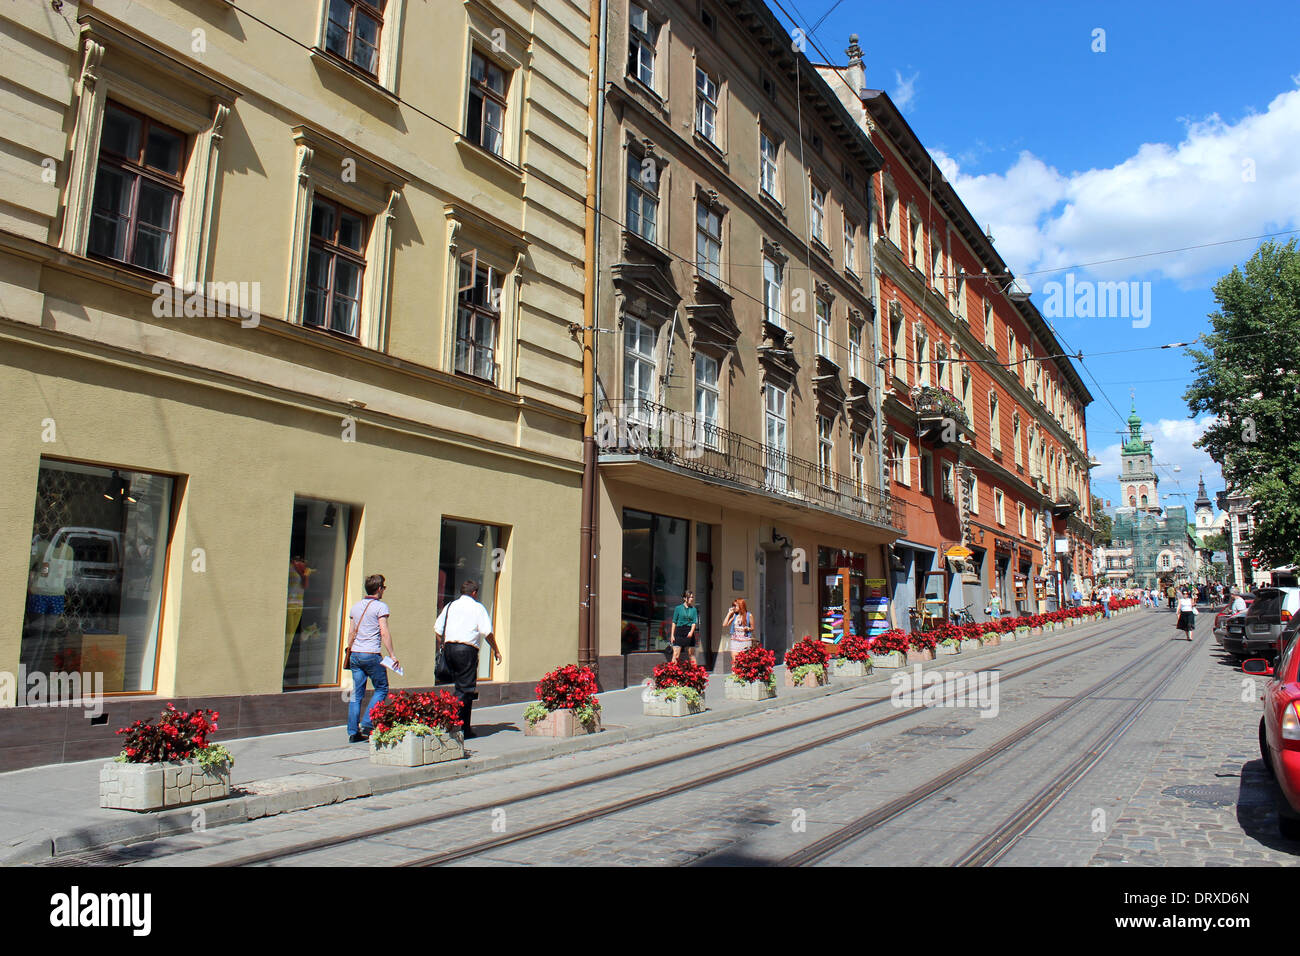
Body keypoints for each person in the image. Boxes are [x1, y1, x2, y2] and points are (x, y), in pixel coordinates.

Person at [435, 579, 502, 738]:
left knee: (460, 687)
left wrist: (444, 645)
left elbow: (437, 629)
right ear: (474, 593)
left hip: (450, 648)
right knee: (466, 689)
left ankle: (461, 726)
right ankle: (455, 724)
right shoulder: (477, 607)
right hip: (466, 650)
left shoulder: (450, 606)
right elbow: (487, 632)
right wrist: (496, 650)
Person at [344, 573, 397, 742]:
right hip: (371, 653)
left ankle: (353, 732)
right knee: (382, 688)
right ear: (379, 589)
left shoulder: (356, 607)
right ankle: (367, 722)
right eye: (384, 588)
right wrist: (392, 655)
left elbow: (351, 632)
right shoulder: (380, 607)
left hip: (355, 655)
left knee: (356, 694)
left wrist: (350, 650)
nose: (384, 591)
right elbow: (384, 632)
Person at [669, 590, 699, 664]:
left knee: (691, 654)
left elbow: (694, 622)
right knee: (676, 654)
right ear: (685, 598)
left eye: (692, 597)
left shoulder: (694, 609)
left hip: (689, 630)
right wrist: (672, 635)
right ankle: (672, 673)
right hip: (679, 630)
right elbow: (674, 622)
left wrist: (691, 632)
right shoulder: (678, 608)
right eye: (690, 597)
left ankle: (696, 673)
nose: (691, 599)